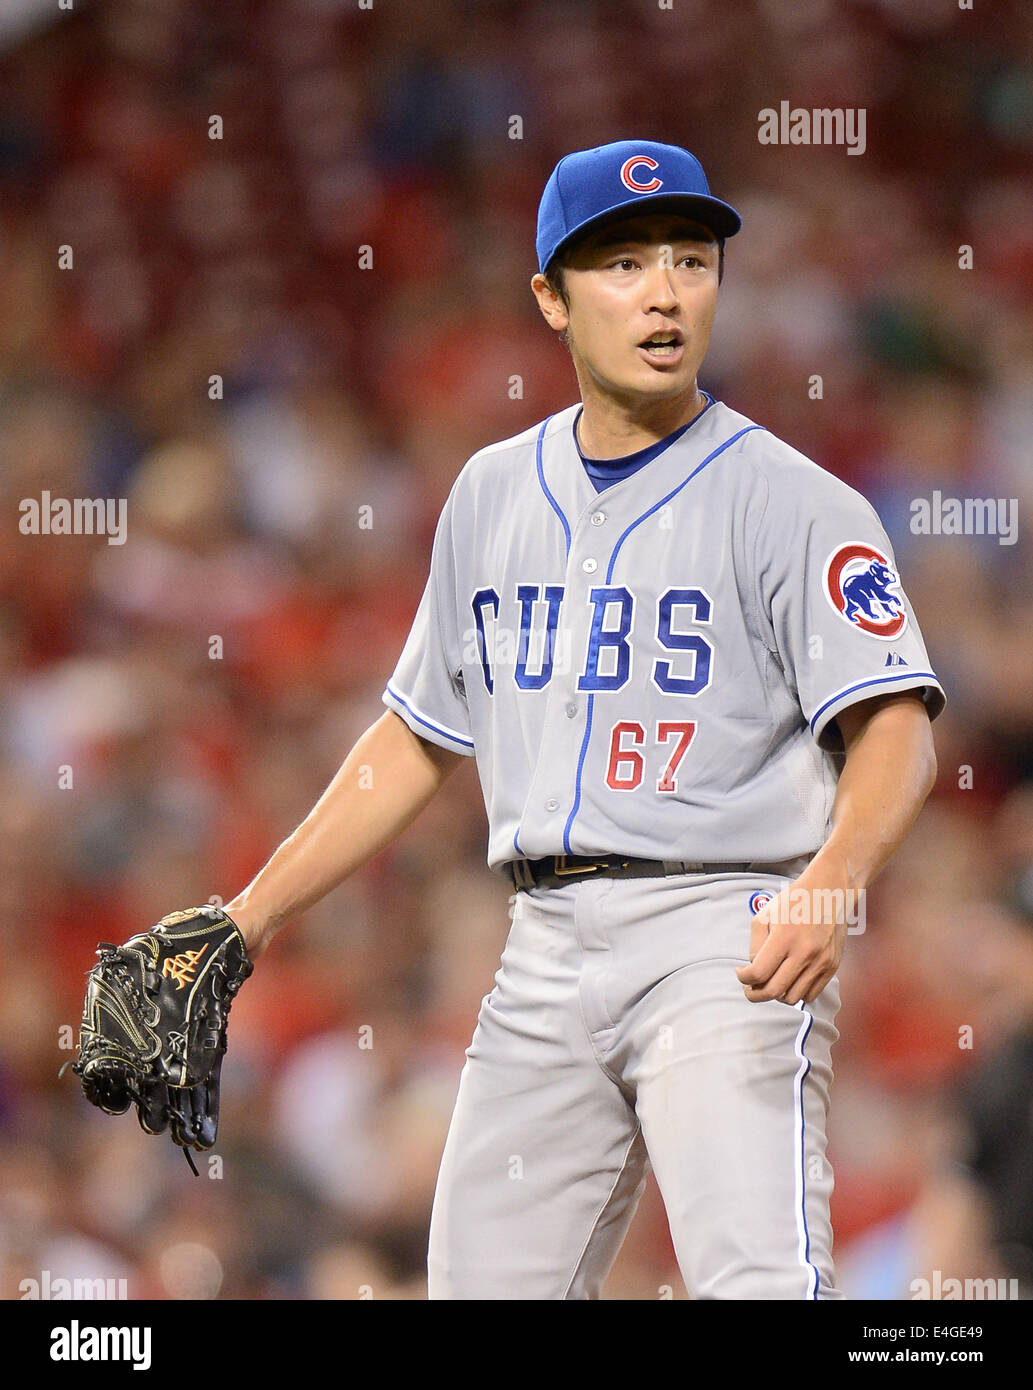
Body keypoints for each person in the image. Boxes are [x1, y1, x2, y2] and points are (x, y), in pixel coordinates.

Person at [225, 140, 945, 1299]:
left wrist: (830, 878)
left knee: (756, 1282)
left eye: (689, 259)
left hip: (725, 932)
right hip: (543, 945)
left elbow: (897, 726)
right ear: (551, 299)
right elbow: (415, 738)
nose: (662, 291)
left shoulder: (797, 500)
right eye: (620, 264)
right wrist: (250, 913)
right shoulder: (491, 493)